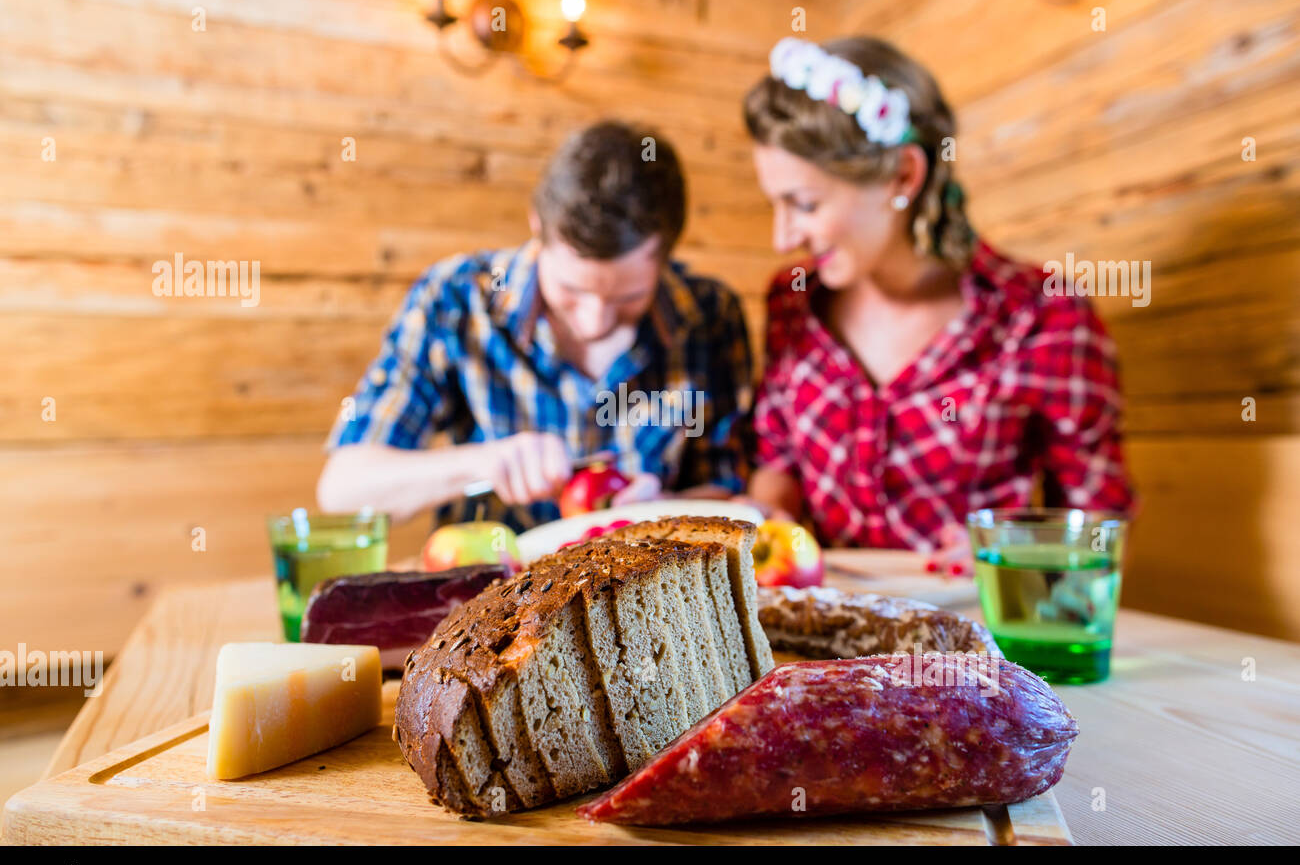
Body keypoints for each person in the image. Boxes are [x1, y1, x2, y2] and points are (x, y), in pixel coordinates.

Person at [741, 37, 1136, 572]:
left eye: (805, 204)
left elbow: (1098, 524)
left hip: (976, 642)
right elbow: (779, 459)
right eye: (773, 204)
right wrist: (765, 515)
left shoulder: (1041, 317)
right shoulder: (792, 303)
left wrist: (1014, 555)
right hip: (822, 633)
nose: (782, 236)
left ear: (904, 175)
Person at [318, 121, 753, 532]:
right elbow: (344, 489)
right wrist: (485, 463)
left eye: (627, 299)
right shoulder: (457, 299)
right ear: (536, 227)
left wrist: (664, 508)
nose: (593, 320)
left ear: (665, 256)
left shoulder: (710, 315)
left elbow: (725, 484)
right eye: (570, 290)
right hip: (492, 597)